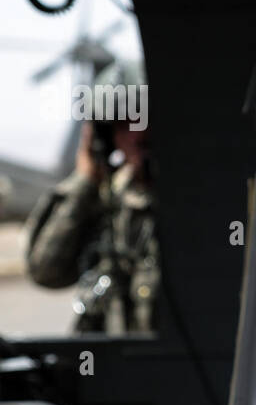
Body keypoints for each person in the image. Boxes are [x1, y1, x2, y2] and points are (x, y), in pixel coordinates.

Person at [24, 63, 158, 334]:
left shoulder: (198, 202)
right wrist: (86, 180)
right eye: (124, 124)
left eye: (144, 120)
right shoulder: (110, 206)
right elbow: (46, 271)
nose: (137, 135)